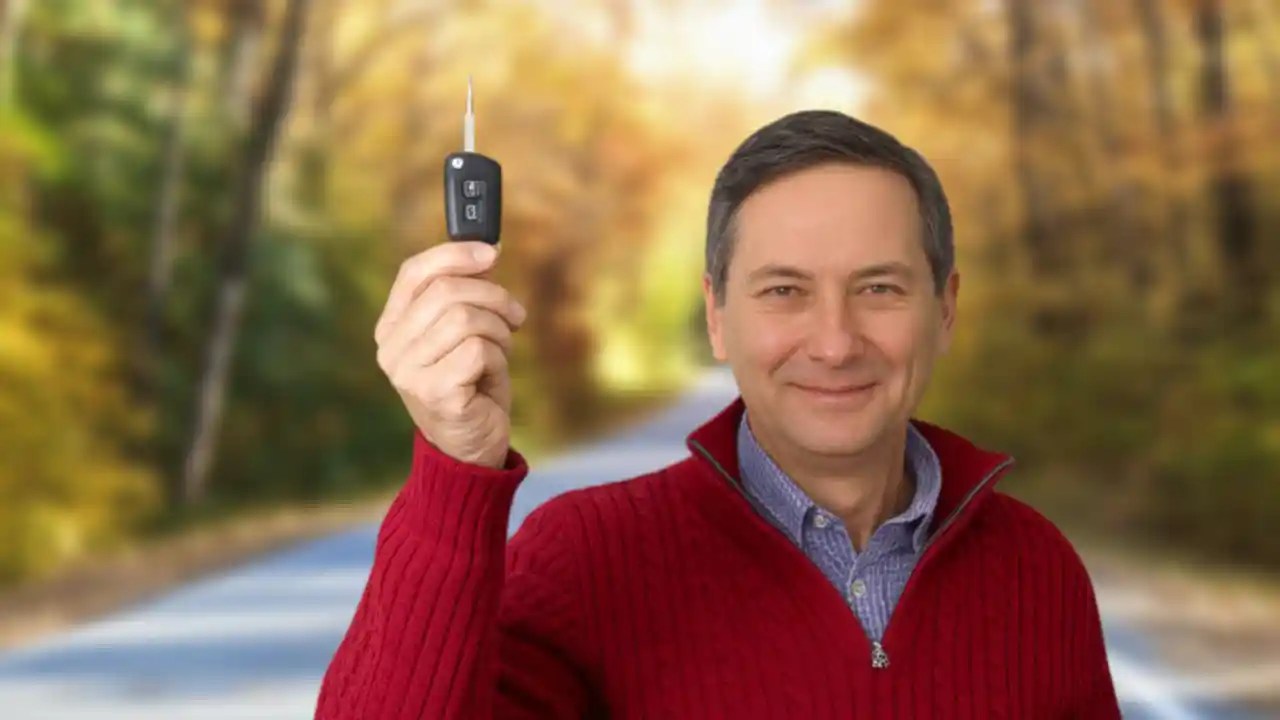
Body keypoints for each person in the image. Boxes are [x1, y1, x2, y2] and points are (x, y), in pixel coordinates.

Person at [314, 110, 1121, 719]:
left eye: (879, 287)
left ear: (944, 307)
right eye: (784, 291)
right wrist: (456, 472)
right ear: (718, 316)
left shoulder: (1035, 570)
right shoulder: (585, 559)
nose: (835, 343)